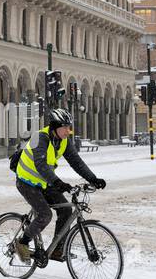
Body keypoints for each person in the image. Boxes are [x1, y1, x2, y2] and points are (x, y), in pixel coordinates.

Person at [12, 108, 105, 265]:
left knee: (66, 211)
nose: (69, 131)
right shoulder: (39, 138)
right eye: (66, 127)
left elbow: (76, 162)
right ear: (55, 126)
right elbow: (41, 164)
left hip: (44, 182)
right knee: (45, 214)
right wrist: (58, 183)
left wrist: (93, 178)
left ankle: (57, 250)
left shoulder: (63, 141)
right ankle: (22, 242)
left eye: (70, 127)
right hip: (26, 181)